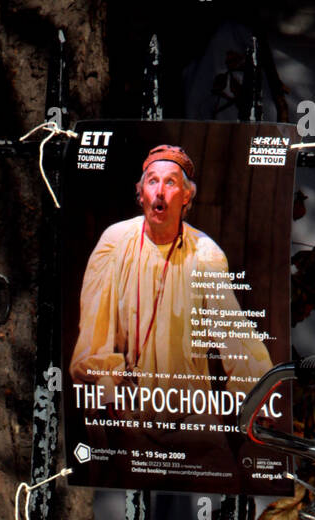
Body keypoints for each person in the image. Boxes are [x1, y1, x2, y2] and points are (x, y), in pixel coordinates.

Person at [69, 144, 272, 403]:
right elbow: (93, 336)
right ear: (141, 193)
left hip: (186, 406)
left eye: (171, 182)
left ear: (186, 196)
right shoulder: (114, 242)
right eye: (152, 182)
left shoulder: (205, 254)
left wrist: (257, 395)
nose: (160, 192)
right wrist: (107, 393)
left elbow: (232, 331)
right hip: (122, 401)